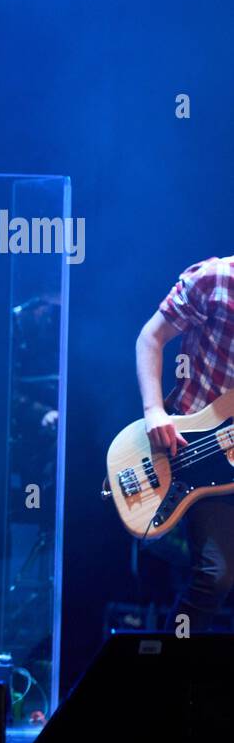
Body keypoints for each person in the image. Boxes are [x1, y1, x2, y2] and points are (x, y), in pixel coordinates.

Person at [135, 255, 234, 631]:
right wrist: (153, 411)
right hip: (195, 451)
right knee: (215, 575)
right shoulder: (215, 279)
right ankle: (167, 678)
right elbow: (151, 336)